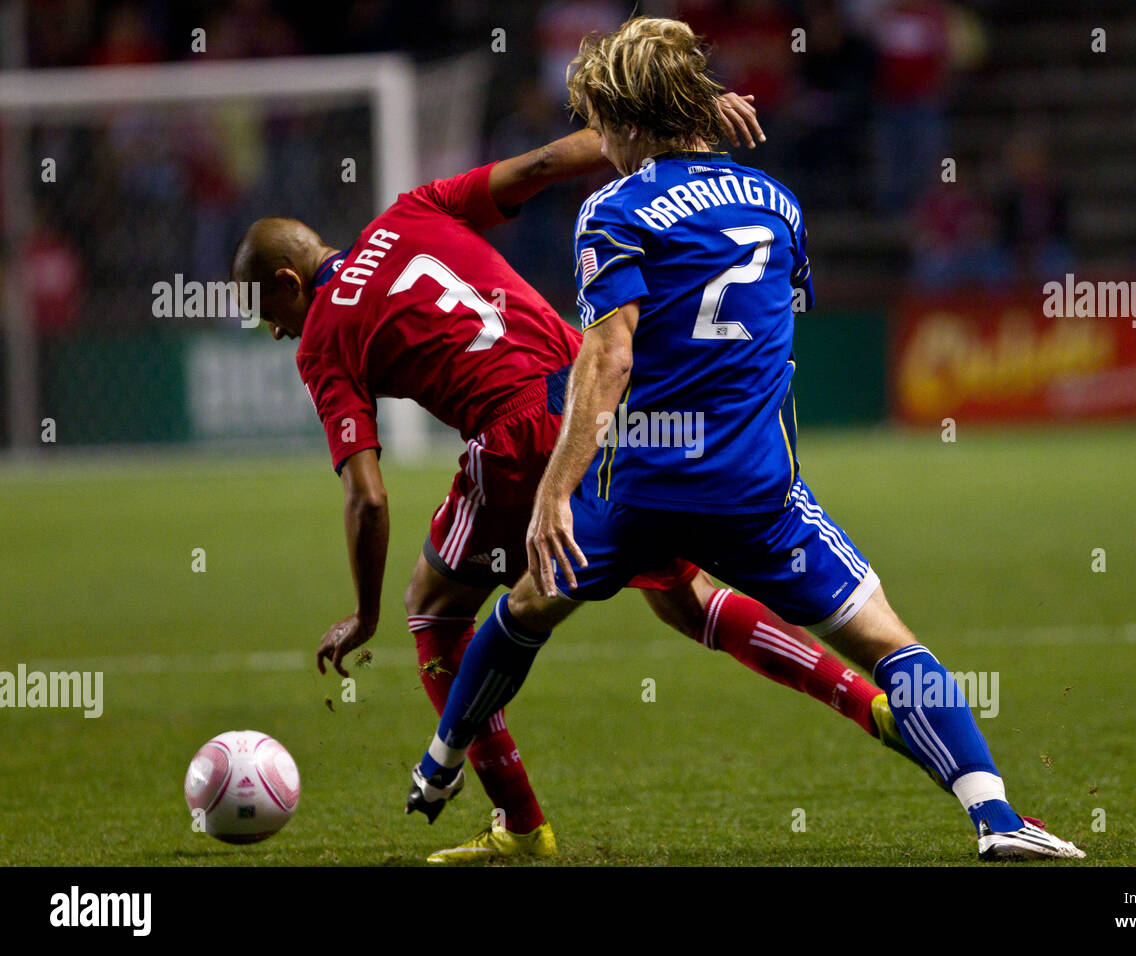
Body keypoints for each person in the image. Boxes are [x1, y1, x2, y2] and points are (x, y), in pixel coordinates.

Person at [413, 16, 1085, 862]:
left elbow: (610, 353)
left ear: (621, 124)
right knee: (887, 640)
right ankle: (996, 817)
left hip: (642, 491)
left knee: (522, 613)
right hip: (755, 492)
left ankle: (439, 765)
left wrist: (555, 489)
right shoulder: (780, 202)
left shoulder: (611, 209)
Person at [231, 98, 928, 864]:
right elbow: (543, 165)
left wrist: (362, 615)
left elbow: (367, 496)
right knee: (681, 593)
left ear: (292, 281)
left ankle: (521, 825)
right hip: (592, 400)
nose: (273, 330)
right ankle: (870, 704)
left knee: (431, 609)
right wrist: (670, 136)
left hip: (517, 432)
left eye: (267, 310)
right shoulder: (412, 210)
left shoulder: (324, 337)